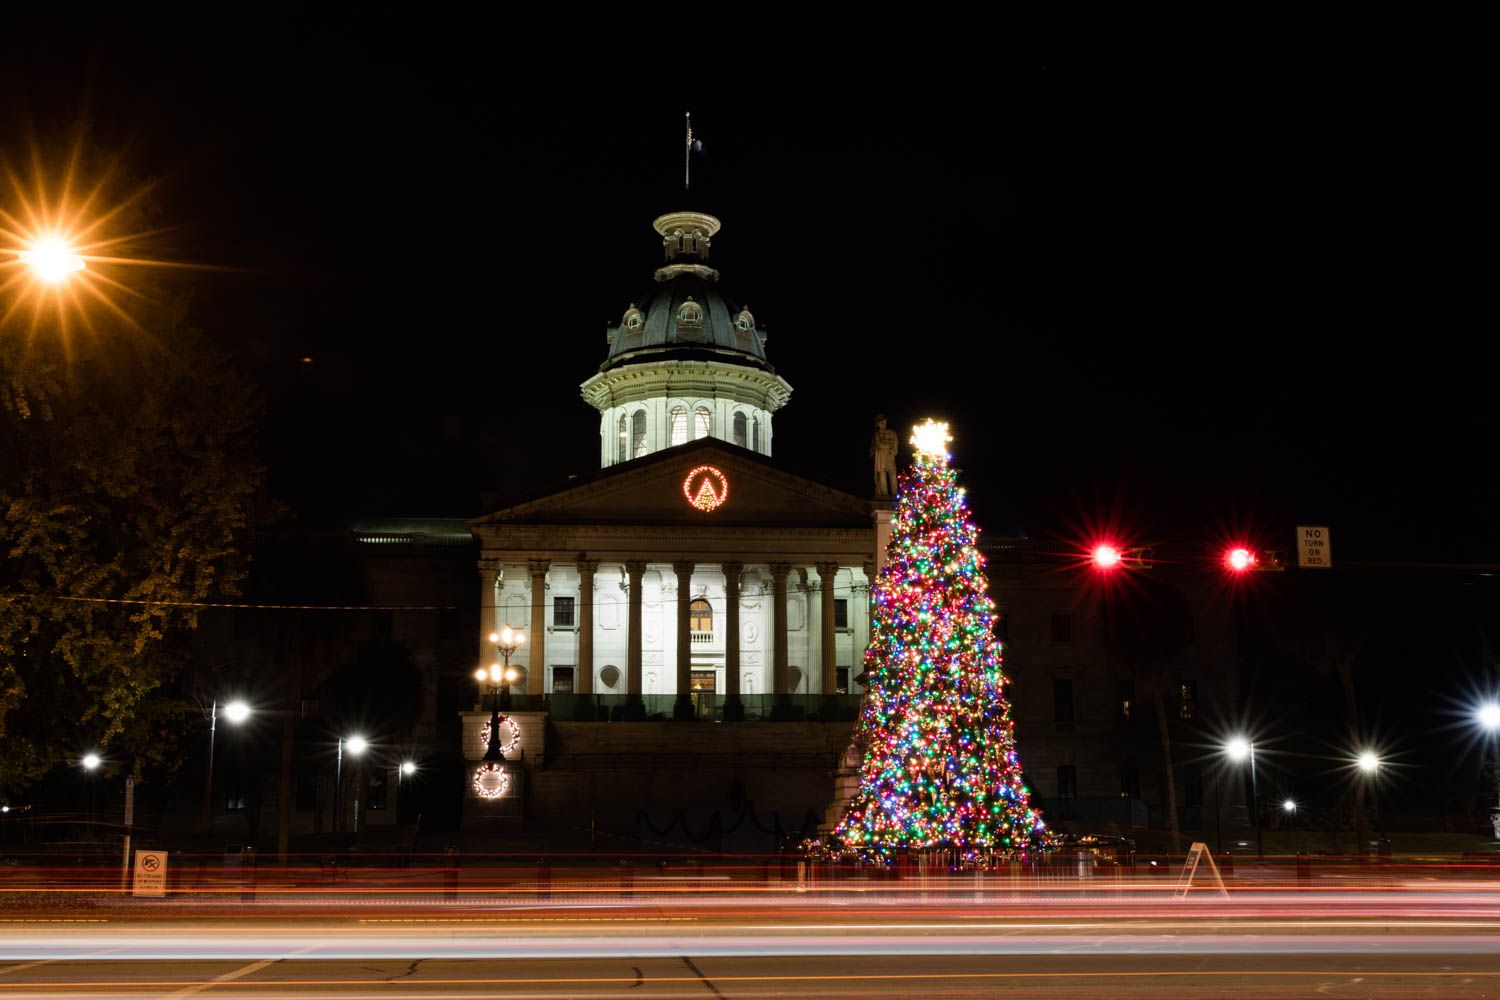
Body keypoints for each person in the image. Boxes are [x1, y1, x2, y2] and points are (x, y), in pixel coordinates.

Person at [869, 414, 898, 496]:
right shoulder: (876, 435)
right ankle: (884, 495)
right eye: (880, 422)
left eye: (884, 421)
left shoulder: (892, 433)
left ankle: (894, 494)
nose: (883, 423)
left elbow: (895, 444)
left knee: (892, 473)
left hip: (889, 455)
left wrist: (891, 451)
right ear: (878, 424)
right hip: (880, 456)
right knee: (881, 473)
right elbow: (873, 448)